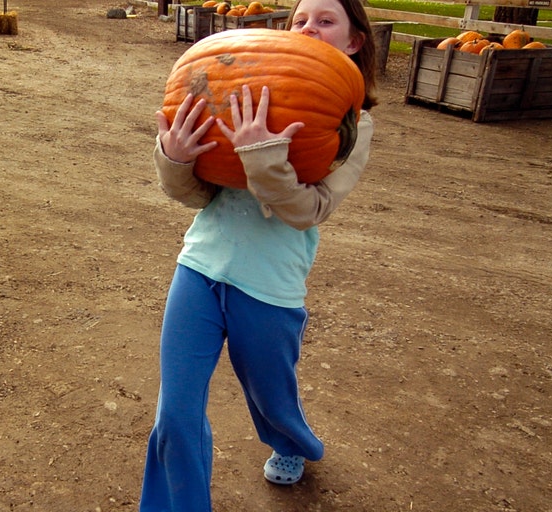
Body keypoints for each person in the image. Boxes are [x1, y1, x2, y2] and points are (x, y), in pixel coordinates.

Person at [139, 0, 379, 509]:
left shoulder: (352, 126)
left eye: (325, 20)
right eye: (300, 20)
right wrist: (175, 160)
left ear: (353, 41)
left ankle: (292, 442)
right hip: (199, 268)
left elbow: (310, 208)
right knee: (175, 412)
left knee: (272, 398)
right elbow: (197, 195)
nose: (308, 28)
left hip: (270, 286)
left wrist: (263, 156)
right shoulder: (246, 92)